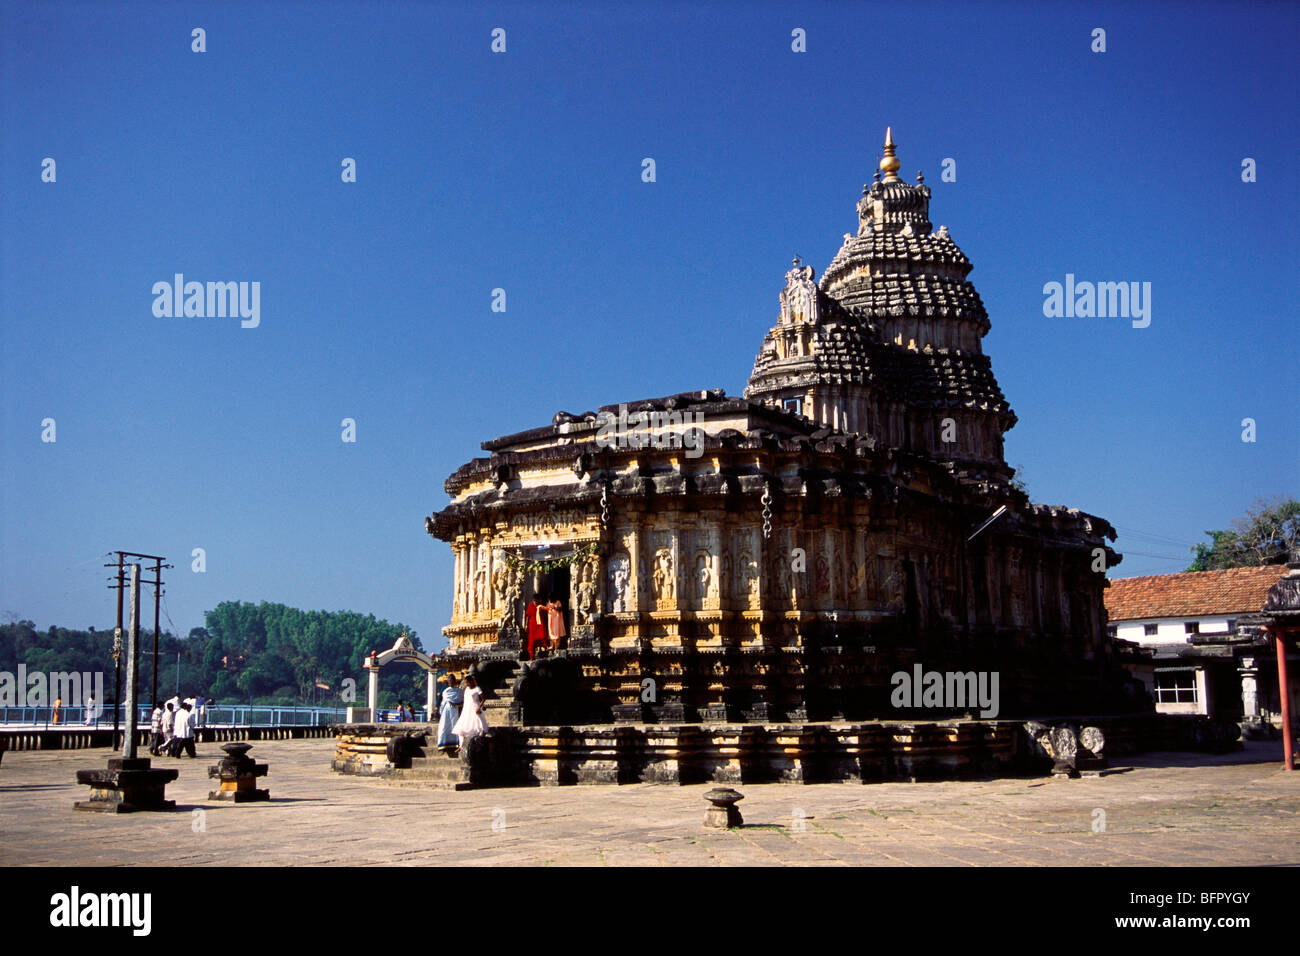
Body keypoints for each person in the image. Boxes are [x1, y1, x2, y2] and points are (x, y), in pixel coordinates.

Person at [451, 675, 488, 744]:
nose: (467, 684)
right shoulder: (466, 689)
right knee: (463, 725)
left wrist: (479, 707)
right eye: (466, 683)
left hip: (475, 706)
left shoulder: (477, 689)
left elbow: (483, 699)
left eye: (468, 682)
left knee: (477, 723)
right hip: (467, 708)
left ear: (471, 681)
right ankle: (461, 744)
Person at [437, 675, 463, 752]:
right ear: (448, 683)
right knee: (445, 726)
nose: (451, 683)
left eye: (452, 681)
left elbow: (461, 700)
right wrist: (440, 711)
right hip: (447, 711)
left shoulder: (459, 691)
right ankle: (444, 744)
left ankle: (455, 743)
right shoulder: (445, 691)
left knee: (455, 725)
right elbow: (443, 703)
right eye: (450, 681)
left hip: (456, 711)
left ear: (455, 682)